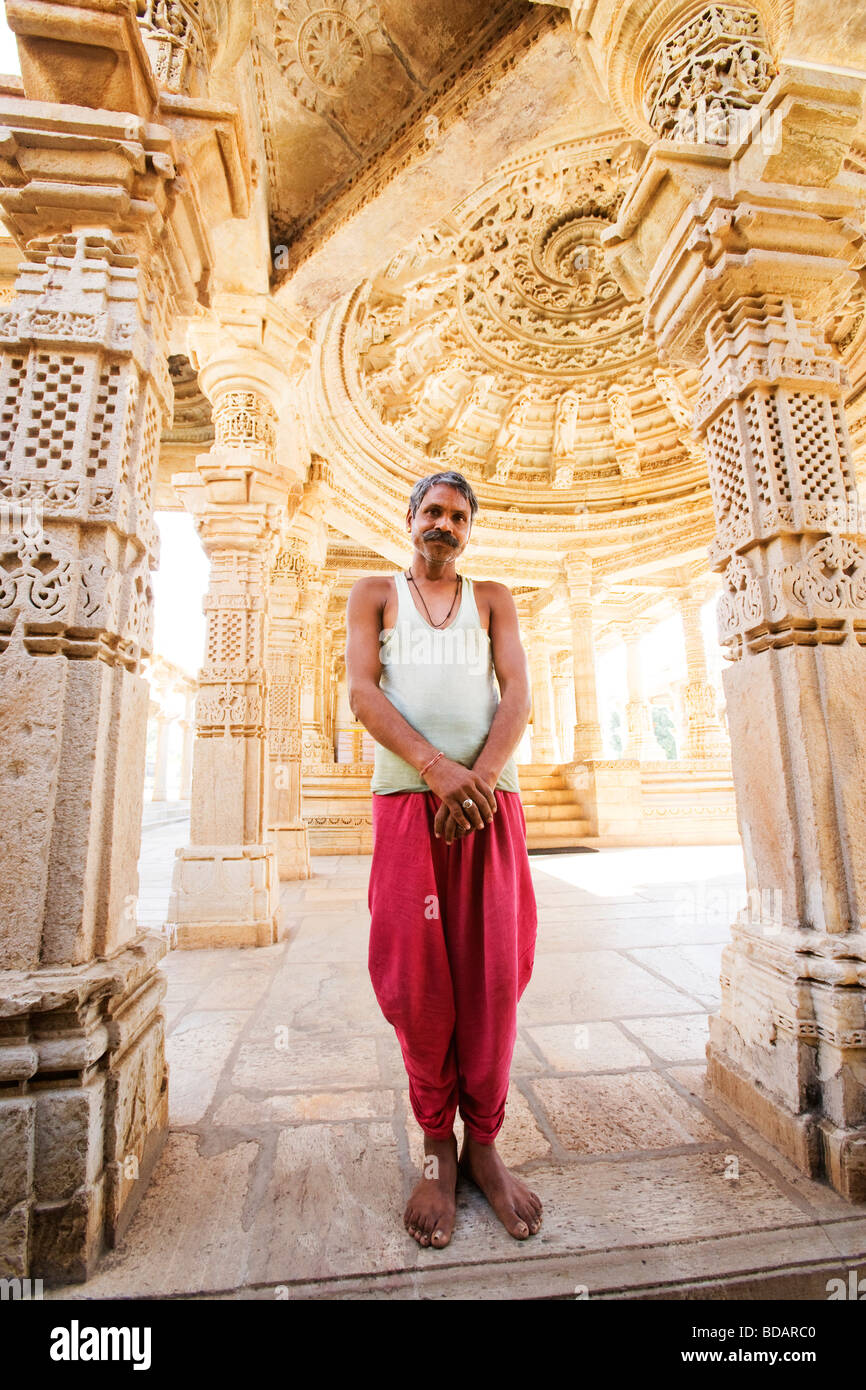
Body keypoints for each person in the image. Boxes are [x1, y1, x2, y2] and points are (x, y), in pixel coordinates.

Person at [345, 469, 542, 1250]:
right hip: (407, 805)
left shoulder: (492, 597)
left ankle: (485, 1144)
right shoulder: (375, 593)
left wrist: (481, 778)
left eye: (459, 517)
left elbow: (519, 689)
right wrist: (434, 768)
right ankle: (437, 1144)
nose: (445, 525)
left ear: (470, 529)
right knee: (415, 980)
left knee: (495, 976)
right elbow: (363, 692)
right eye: (433, 511)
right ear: (409, 518)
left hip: (489, 808)